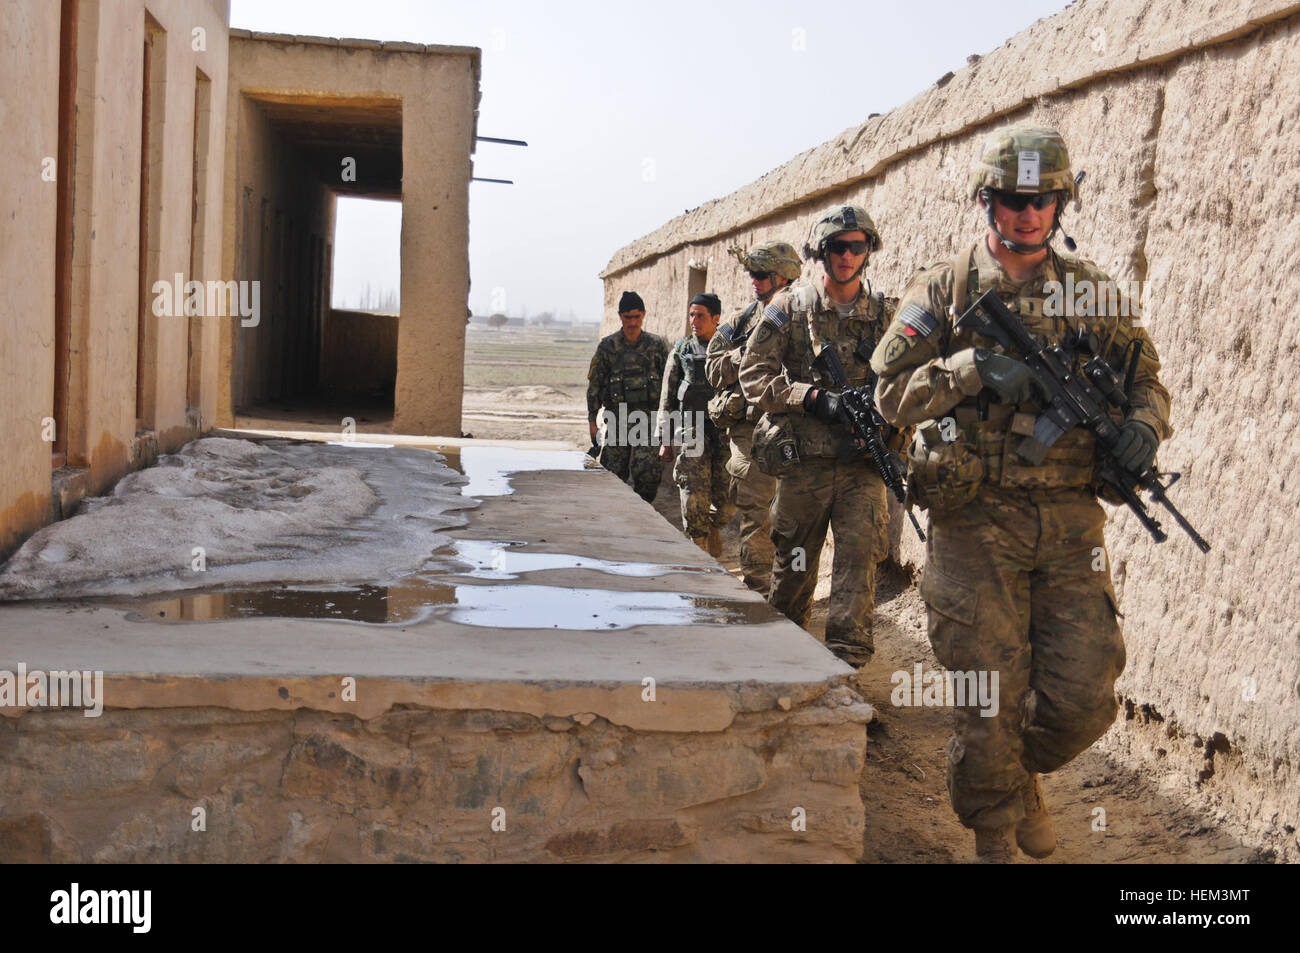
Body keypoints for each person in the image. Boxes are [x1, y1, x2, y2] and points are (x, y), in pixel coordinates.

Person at [870, 124, 1172, 862]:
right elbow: (886, 395)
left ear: (1060, 201)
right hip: (974, 519)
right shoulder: (946, 288)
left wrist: (1144, 426)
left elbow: (1147, 380)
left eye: (1041, 199)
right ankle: (993, 828)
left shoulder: (1090, 291)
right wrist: (966, 369)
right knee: (986, 693)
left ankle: (1012, 774)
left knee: (1085, 696)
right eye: (1012, 198)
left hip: (1071, 522)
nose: (1027, 213)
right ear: (987, 200)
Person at [739, 206, 895, 668]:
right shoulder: (790, 308)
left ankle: (845, 674)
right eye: (836, 247)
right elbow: (753, 374)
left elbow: (907, 382)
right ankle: (783, 666)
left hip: (861, 466)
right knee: (794, 568)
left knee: (858, 564)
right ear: (821, 252)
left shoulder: (885, 314)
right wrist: (813, 399)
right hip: (804, 465)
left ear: (868, 251)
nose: (847, 256)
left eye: (856, 246)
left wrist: (885, 422)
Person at [705, 241, 802, 592]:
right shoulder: (739, 322)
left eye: (761, 274)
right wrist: (742, 356)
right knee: (757, 513)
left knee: (794, 519)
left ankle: (788, 589)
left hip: (799, 428)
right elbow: (712, 369)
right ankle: (760, 590)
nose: (754, 280)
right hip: (753, 432)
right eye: (752, 274)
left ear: (784, 277)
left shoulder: (805, 317)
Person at [658, 293, 735, 555]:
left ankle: (712, 527)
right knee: (692, 491)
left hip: (724, 433)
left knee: (727, 497)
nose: (694, 320)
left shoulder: (731, 350)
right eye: (691, 314)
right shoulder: (682, 350)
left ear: (716, 319)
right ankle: (698, 546)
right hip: (691, 431)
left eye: (700, 315)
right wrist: (665, 438)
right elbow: (667, 397)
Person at [587, 291, 669, 502]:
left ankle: (643, 512)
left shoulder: (656, 345)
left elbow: (670, 383)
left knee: (648, 473)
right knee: (612, 473)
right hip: (617, 418)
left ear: (643, 315)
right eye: (627, 317)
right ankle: (614, 513)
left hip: (648, 419)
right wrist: (592, 420)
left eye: (636, 316)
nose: (632, 322)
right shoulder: (607, 347)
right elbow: (595, 384)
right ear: (620, 316)